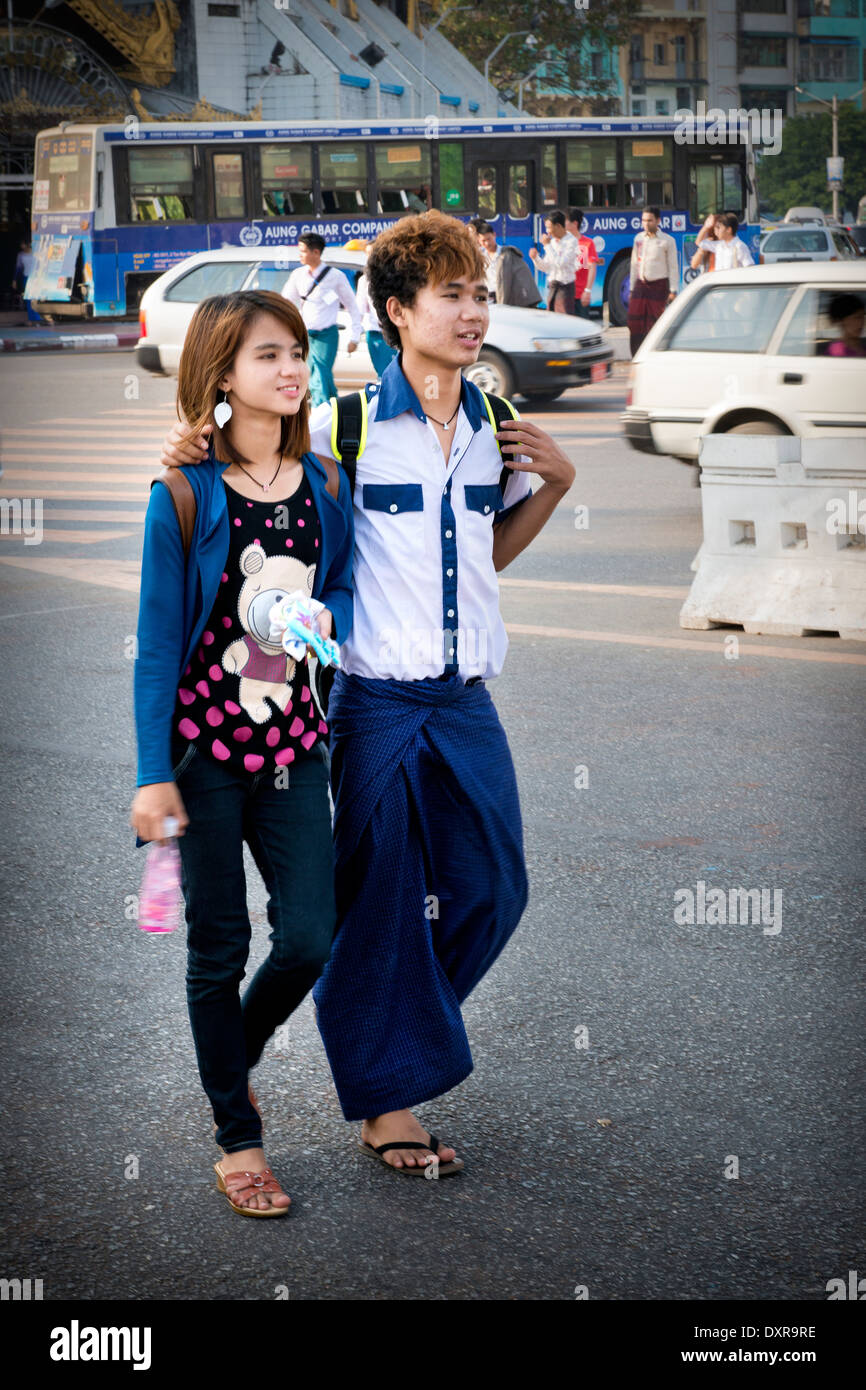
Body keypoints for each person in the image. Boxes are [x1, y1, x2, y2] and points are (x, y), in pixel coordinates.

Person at [158, 210, 575, 1177]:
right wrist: (194, 448)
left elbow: (483, 559)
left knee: (491, 887)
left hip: (465, 695)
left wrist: (551, 492)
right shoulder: (344, 430)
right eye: (452, 295)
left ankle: (386, 1034)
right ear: (396, 310)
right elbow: (253, 472)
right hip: (373, 701)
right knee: (385, 900)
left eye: (481, 293)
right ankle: (388, 1094)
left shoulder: (492, 426)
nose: (475, 312)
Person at [131, 290, 355, 1217]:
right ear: (224, 374)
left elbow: (340, 587)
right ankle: (239, 1138)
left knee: (309, 933)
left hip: (295, 747)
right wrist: (151, 773)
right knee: (216, 948)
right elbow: (154, 644)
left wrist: (322, 619)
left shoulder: (328, 481)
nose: (292, 369)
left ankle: (236, 1051)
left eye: (298, 352)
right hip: (206, 758)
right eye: (268, 355)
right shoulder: (183, 494)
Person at [283, 233, 361, 407]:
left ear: (316, 253)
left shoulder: (336, 276)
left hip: (327, 336)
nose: (300, 255)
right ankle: (334, 408)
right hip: (305, 336)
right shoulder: (298, 275)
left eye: (303, 251)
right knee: (316, 375)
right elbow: (286, 302)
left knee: (319, 373)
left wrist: (355, 336)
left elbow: (353, 306)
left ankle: (321, 411)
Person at [627, 206, 678, 357]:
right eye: (643, 220)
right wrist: (631, 289)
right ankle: (637, 356)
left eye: (649, 220)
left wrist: (673, 290)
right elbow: (634, 265)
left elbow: (673, 267)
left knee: (656, 324)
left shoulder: (667, 241)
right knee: (634, 322)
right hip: (640, 287)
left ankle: (656, 356)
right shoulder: (638, 239)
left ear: (658, 221)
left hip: (658, 287)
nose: (646, 223)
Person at [470, 219, 541, 308]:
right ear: (479, 240)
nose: (487, 243)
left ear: (494, 235)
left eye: (489, 239)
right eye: (483, 240)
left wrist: (530, 299)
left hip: (507, 299)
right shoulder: (480, 257)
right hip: (489, 298)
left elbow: (524, 278)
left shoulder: (507, 255)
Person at [352, 241, 398, 377]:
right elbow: (359, 308)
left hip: (395, 331)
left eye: (374, 253)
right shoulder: (364, 280)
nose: (370, 258)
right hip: (375, 332)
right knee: (382, 373)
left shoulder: (396, 277)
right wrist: (354, 335)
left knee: (395, 371)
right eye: (367, 254)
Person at [529, 209, 578, 314]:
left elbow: (560, 263)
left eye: (549, 227)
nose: (547, 231)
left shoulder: (571, 242)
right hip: (553, 286)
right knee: (552, 320)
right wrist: (535, 258)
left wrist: (547, 246)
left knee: (565, 320)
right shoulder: (553, 243)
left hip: (565, 287)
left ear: (559, 226)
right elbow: (546, 267)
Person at [565, 209, 600, 318]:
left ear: (575, 223)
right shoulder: (562, 242)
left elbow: (592, 268)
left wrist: (588, 290)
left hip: (581, 296)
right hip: (566, 294)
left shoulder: (587, 243)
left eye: (565, 221)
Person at [826, 293, 866, 357]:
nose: (862, 322)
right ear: (842, 321)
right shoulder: (837, 351)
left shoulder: (861, 347)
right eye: (857, 317)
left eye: (863, 317)